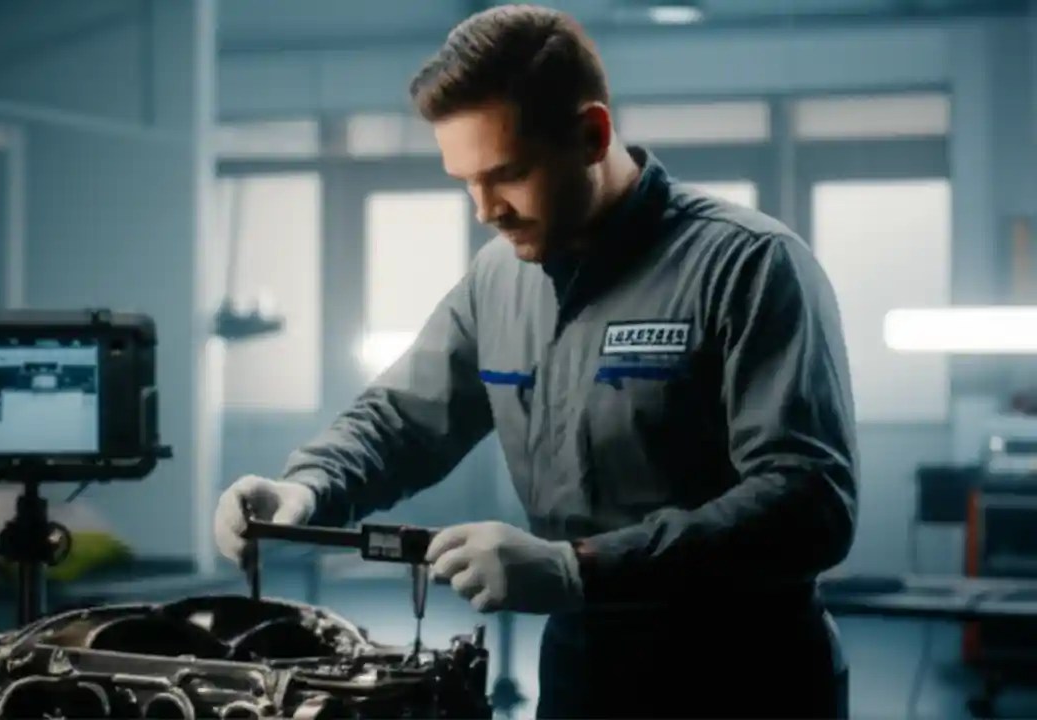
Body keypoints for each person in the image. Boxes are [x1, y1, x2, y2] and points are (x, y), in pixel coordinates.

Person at [214, 5, 858, 718]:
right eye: (464, 182)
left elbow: (809, 502)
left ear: (591, 135)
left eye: (508, 174)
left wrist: (577, 570)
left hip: (746, 680)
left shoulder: (749, 265)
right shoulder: (499, 279)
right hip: (584, 676)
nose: (485, 210)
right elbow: (400, 421)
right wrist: (303, 490)